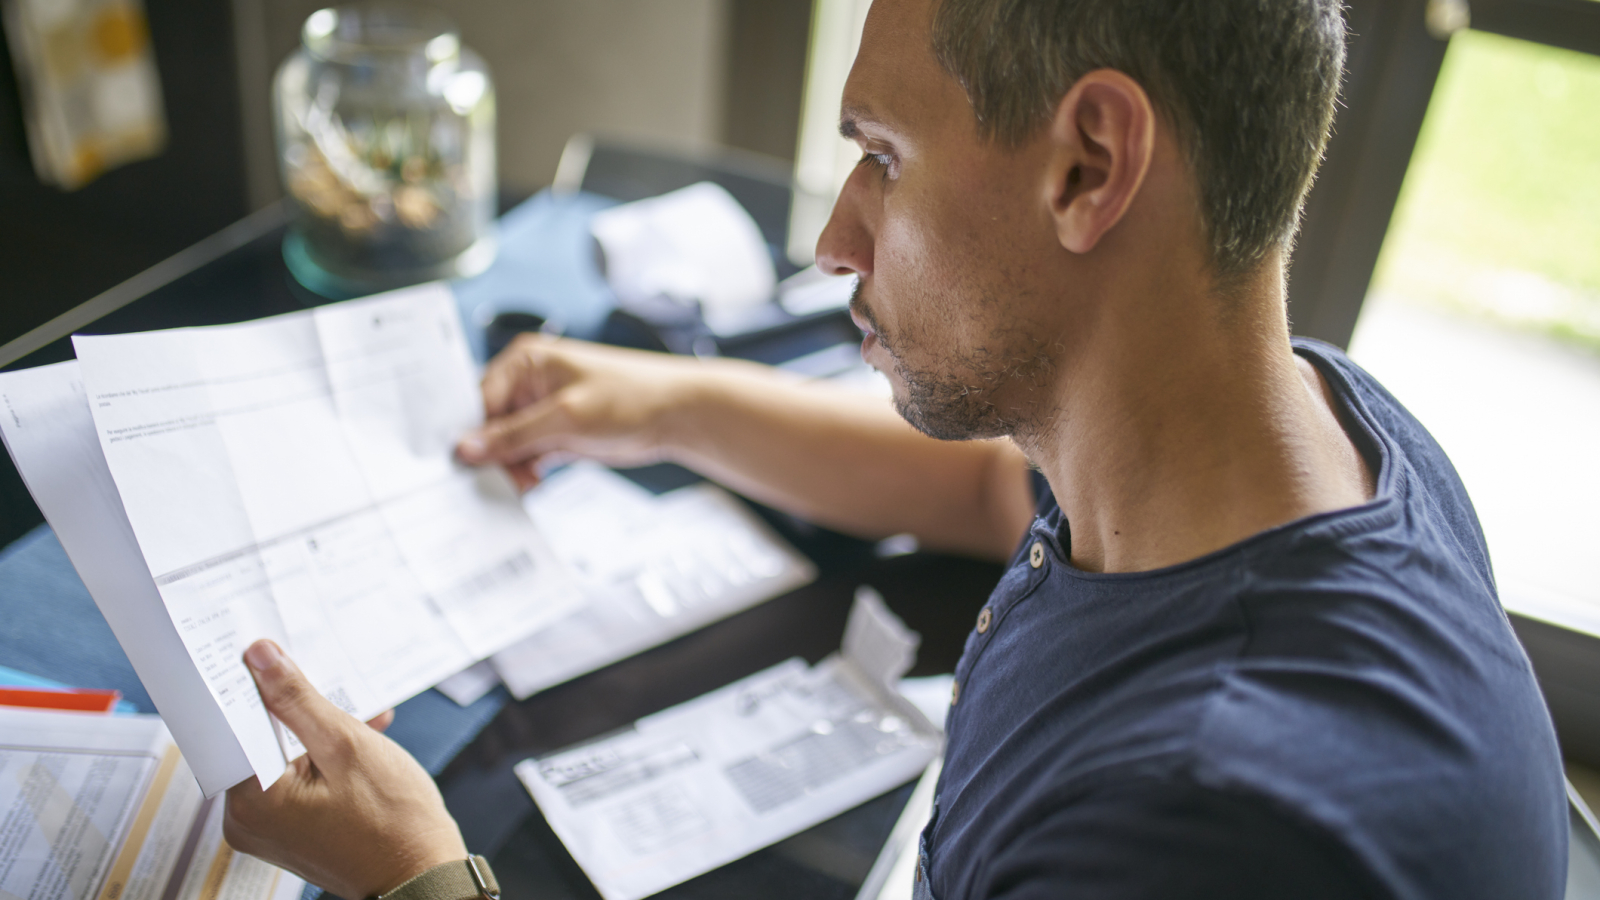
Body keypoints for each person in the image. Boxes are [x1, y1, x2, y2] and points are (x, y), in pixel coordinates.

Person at [222, 0, 1570, 896]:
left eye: (883, 156)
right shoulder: (1318, 425)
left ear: (1090, 167)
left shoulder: (1200, 816)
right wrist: (666, 405)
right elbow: (1000, 486)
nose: (834, 240)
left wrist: (418, 874)